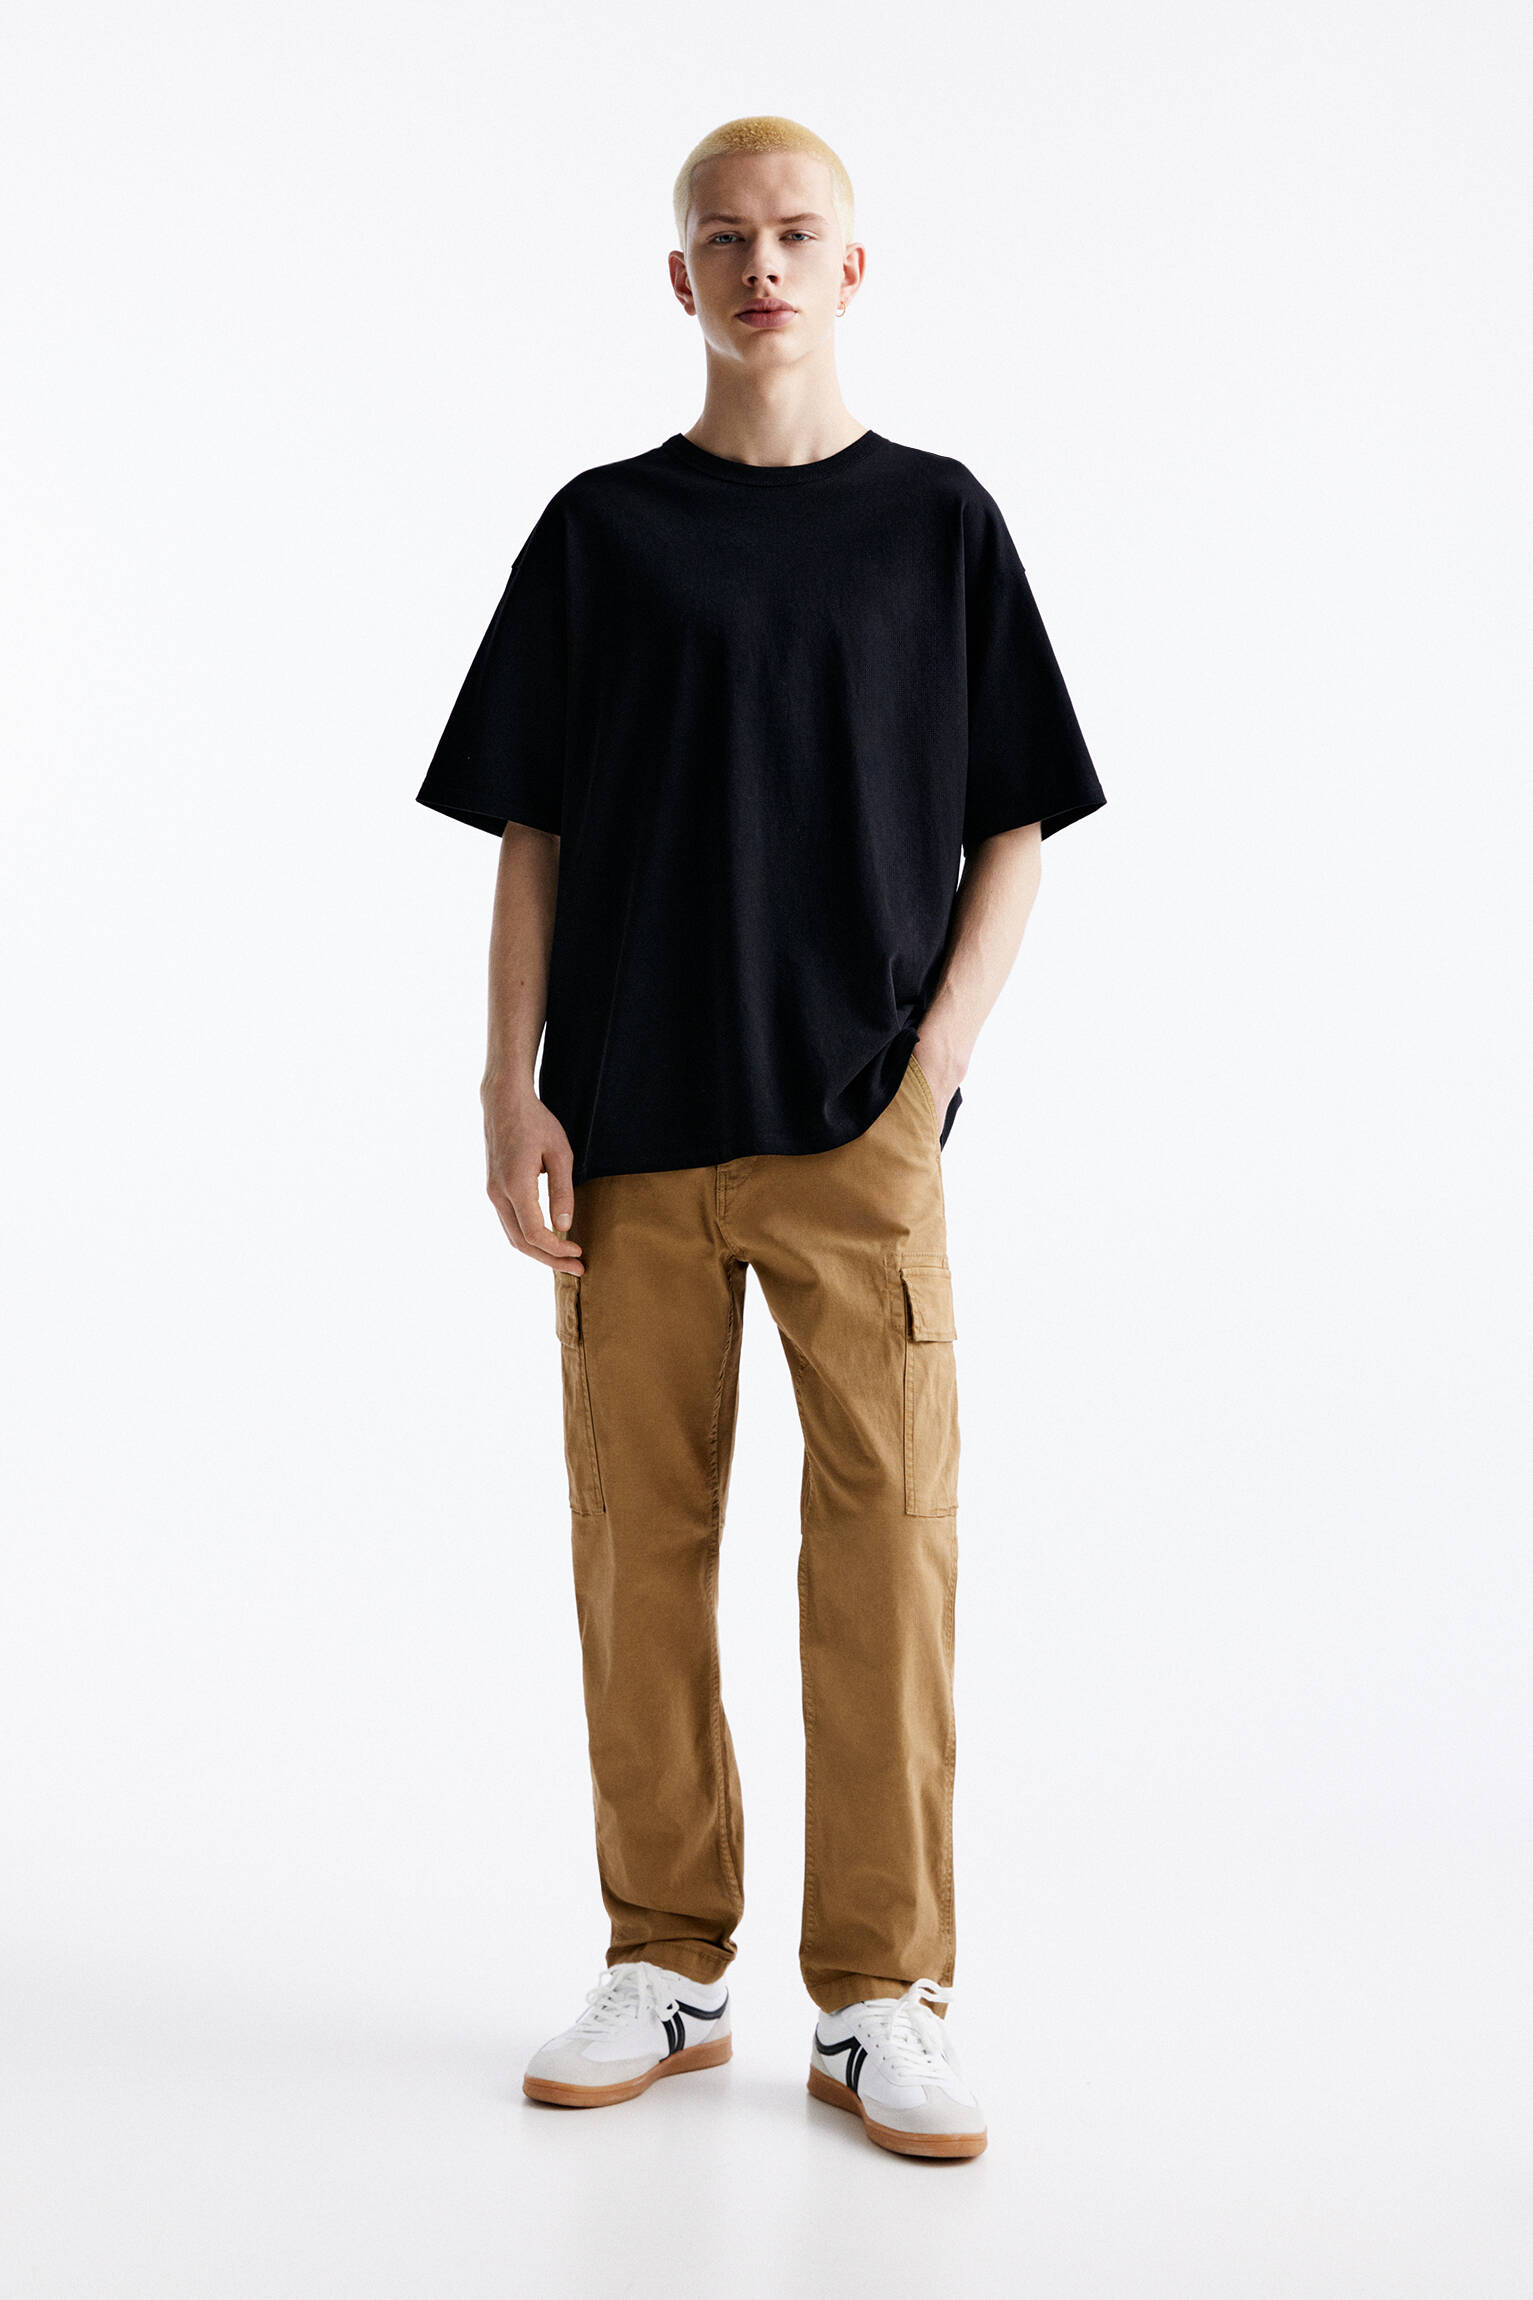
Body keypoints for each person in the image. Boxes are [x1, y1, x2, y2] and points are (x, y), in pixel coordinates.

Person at [416, 114, 1105, 2162]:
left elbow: (1016, 820)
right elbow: (530, 829)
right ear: (680, 278)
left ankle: (882, 1994)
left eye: (797, 233)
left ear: (851, 266)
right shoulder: (600, 533)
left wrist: (932, 1067)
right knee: (638, 1548)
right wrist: (508, 1084)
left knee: (884, 1551)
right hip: (628, 1126)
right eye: (724, 238)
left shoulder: (935, 524)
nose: (762, 266)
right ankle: (665, 1959)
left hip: (852, 1132)